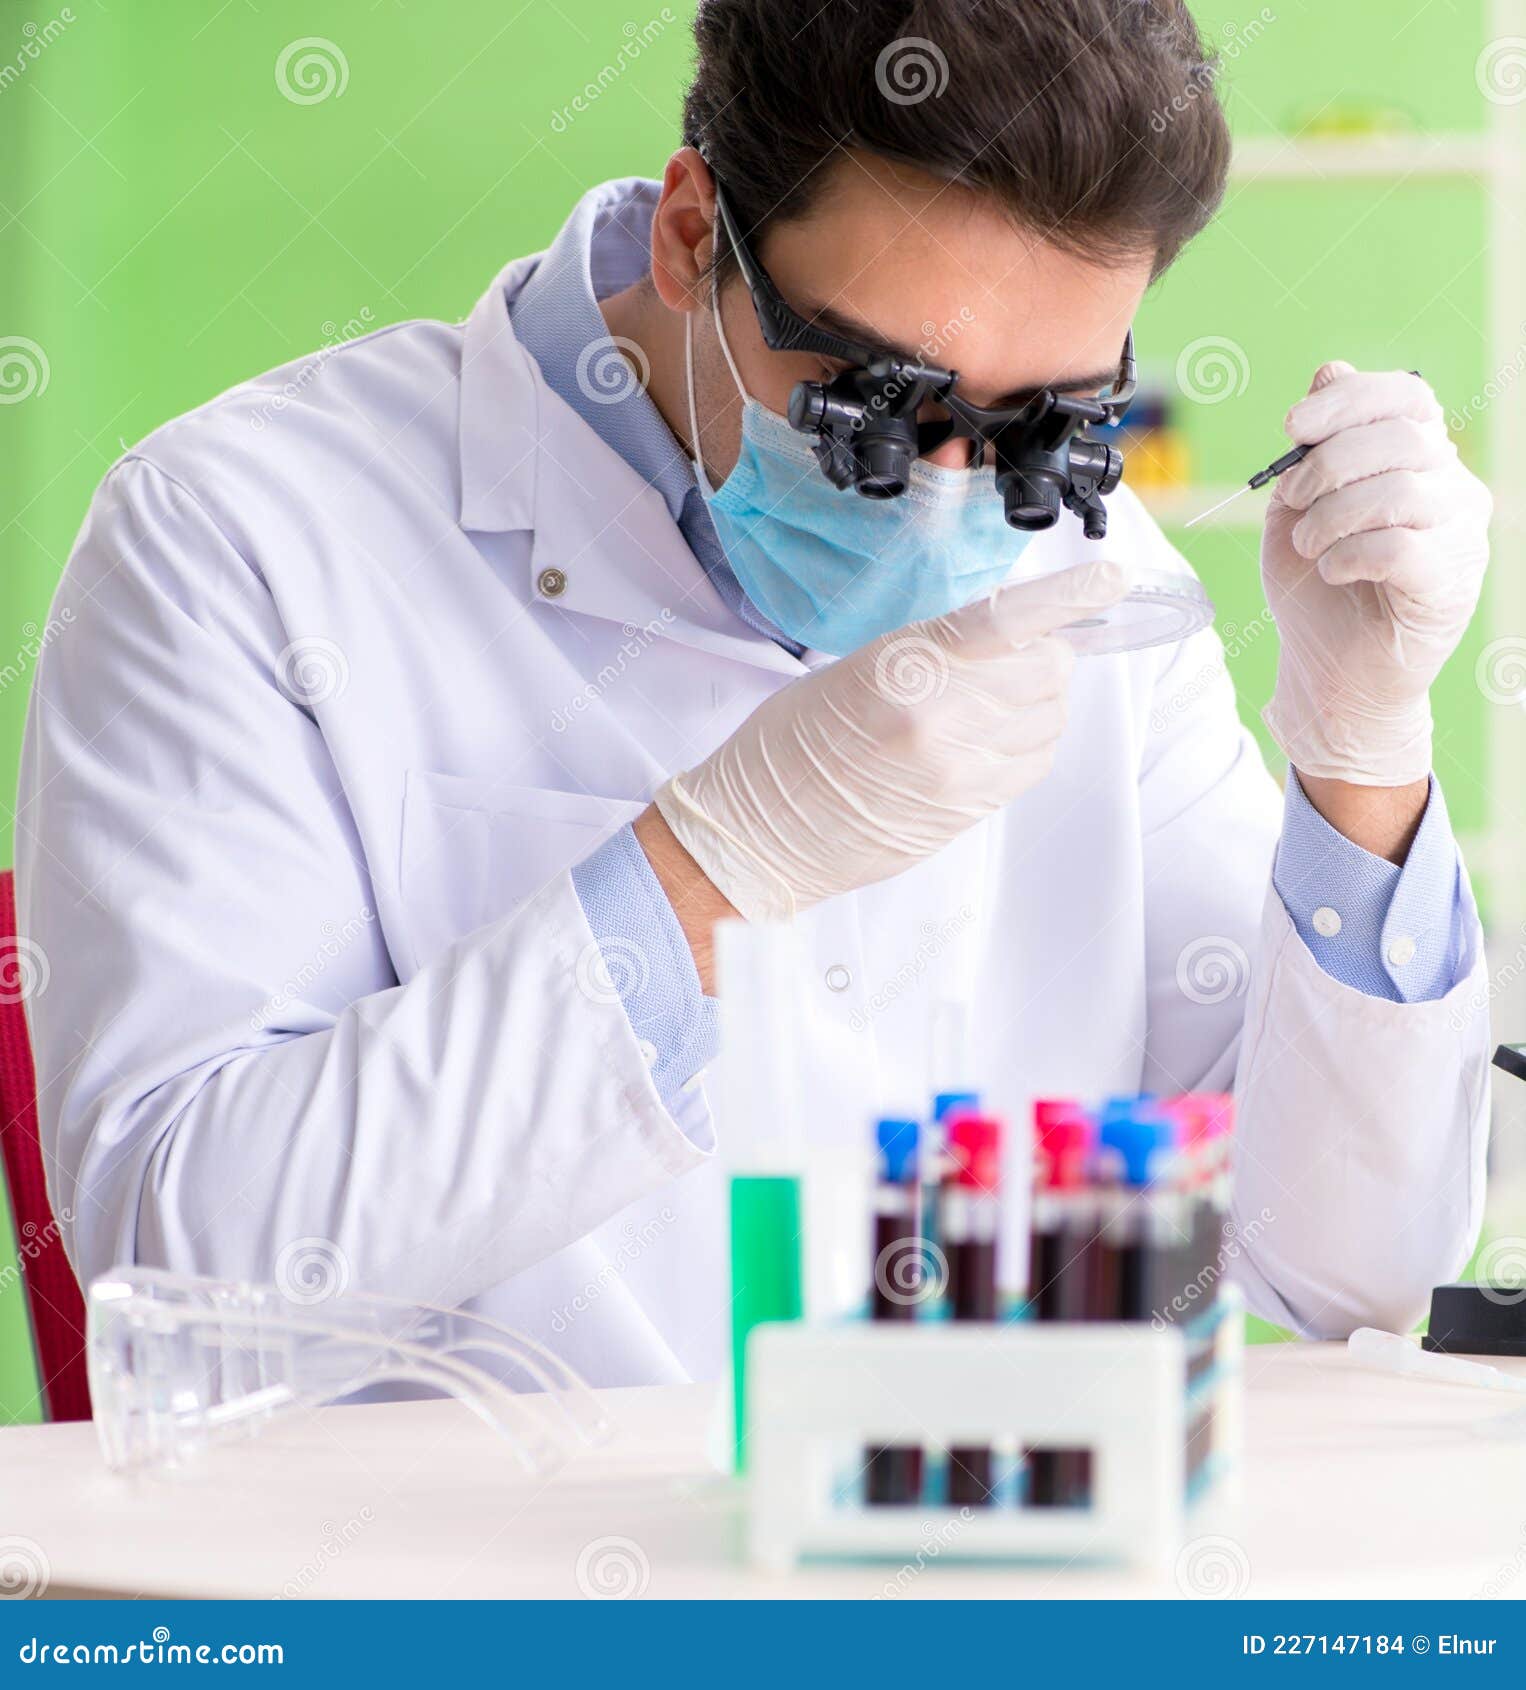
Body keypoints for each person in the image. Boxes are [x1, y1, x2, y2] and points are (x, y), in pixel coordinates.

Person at [17, 0, 1491, 1384]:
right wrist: (705, 874)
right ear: (688, 236)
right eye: (874, 410)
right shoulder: (239, 537)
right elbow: (185, 1287)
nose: (946, 501)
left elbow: (1332, 1272)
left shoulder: (1086, 575)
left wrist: (1361, 747)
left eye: (1046, 424)